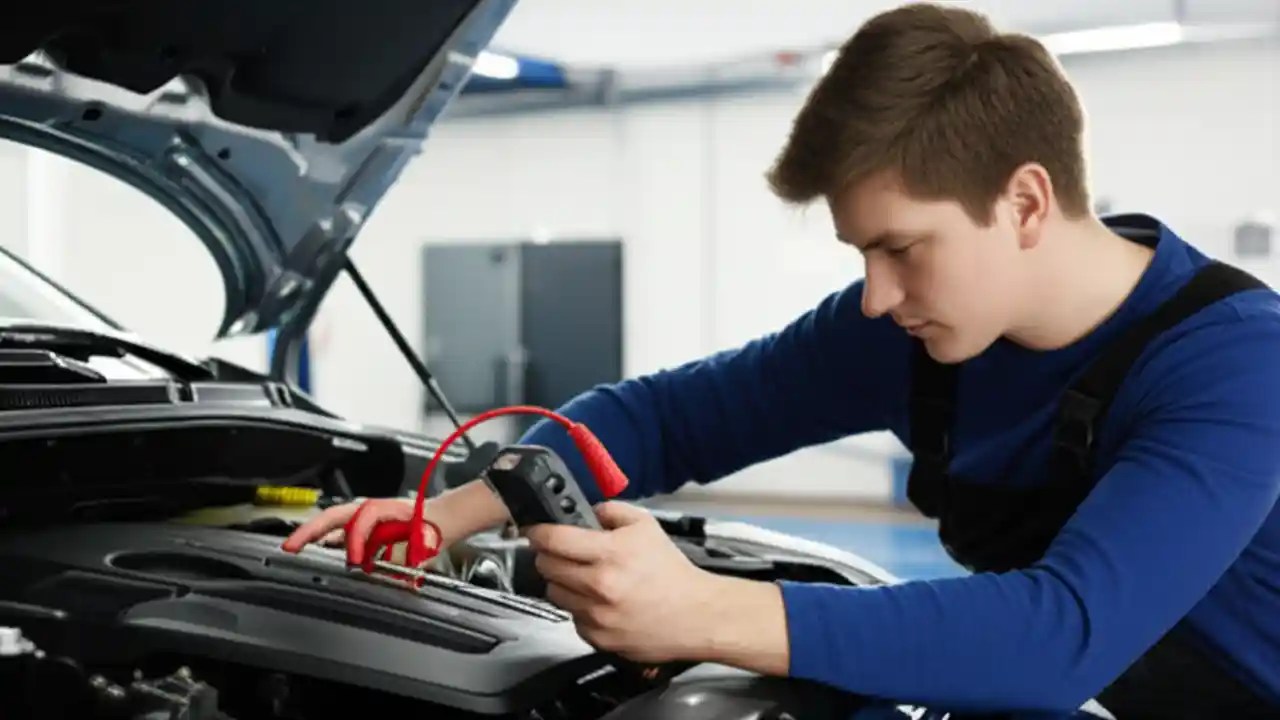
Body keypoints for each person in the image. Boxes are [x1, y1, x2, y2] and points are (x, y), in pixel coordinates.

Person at [282, 3, 1280, 717]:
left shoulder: (1232, 366)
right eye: (860, 254)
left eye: (900, 247)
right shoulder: (901, 331)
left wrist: (701, 610)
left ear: (1022, 203)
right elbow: (662, 417)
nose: (876, 293)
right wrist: (444, 514)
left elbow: (1059, 634)